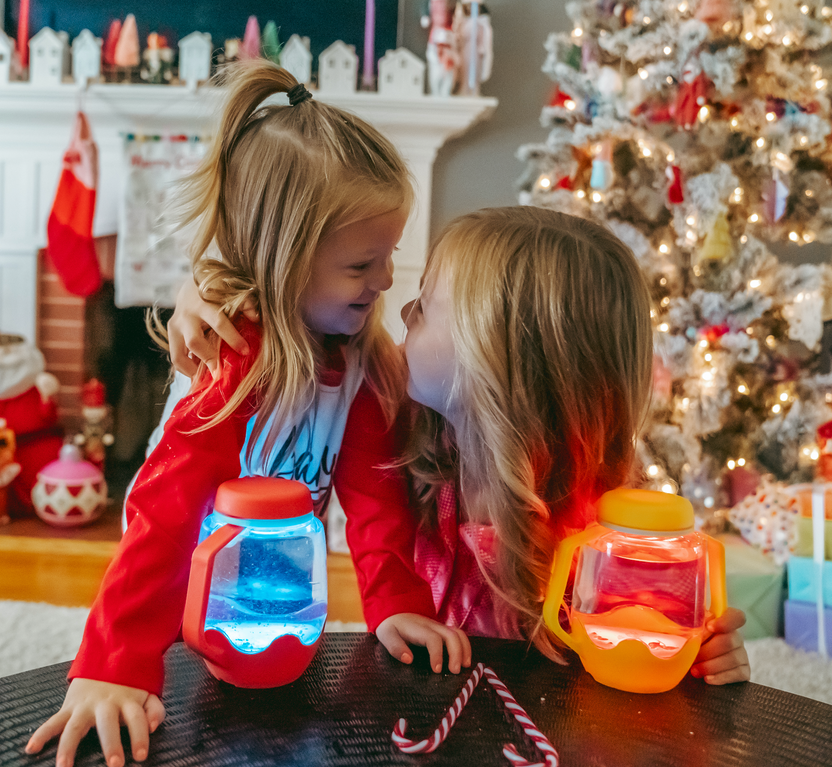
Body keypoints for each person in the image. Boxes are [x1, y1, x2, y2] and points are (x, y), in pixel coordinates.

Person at [25, 59, 455, 767]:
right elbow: (165, 513)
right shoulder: (236, 362)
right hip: (190, 562)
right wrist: (114, 662)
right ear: (285, 258)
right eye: (361, 266)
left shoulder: (359, 361)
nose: (383, 282)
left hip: (275, 584)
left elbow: (376, 496)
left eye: (389, 257)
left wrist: (397, 602)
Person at [163, 205, 751, 685]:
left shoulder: (610, 539)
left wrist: (706, 659)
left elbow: (657, 649)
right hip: (422, 710)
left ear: (498, 364)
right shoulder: (400, 431)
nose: (406, 309)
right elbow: (300, 319)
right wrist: (208, 296)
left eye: (429, 303)